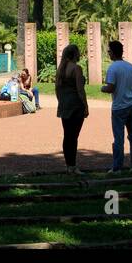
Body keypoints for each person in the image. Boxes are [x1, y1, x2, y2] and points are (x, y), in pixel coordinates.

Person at [101, 40, 132, 173]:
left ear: (112, 52)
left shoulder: (112, 68)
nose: (108, 53)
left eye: (109, 51)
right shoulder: (131, 67)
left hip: (119, 107)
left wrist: (103, 88)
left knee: (119, 138)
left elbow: (111, 87)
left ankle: (117, 167)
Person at [55, 44, 90, 174]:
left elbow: (57, 89)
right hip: (76, 105)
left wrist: (62, 101)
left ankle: (69, 165)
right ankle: (73, 166)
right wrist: (85, 105)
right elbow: (80, 90)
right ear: (75, 54)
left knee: (67, 136)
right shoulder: (76, 68)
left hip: (64, 105)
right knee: (74, 137)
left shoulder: (60, 69)